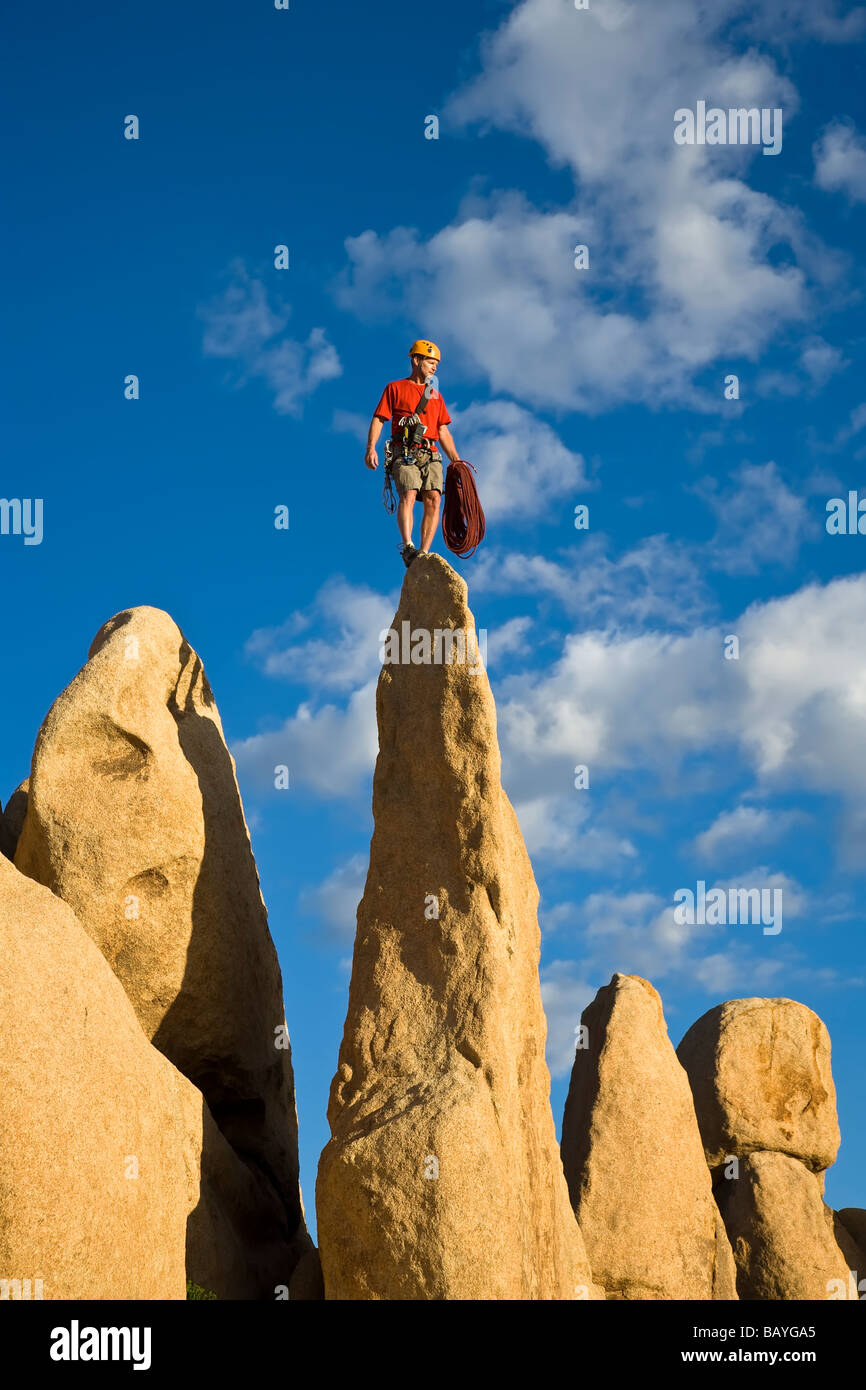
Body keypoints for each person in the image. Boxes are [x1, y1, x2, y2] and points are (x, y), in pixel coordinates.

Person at [365, 339, 461, 567]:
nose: (434, 367)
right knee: (408, 493)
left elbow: (442, 430)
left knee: (434, 498)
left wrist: (456, 459)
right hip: (405, 451)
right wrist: (371, 448)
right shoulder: (395, 388)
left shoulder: (435, 395)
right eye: (430, 361)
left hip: (431, 452)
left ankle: (424, 553)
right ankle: (408, 546)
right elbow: (379, 418)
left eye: (436, 363)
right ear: (416, 360)